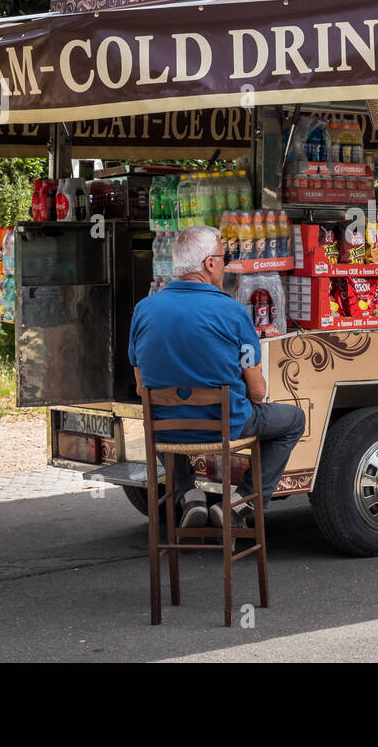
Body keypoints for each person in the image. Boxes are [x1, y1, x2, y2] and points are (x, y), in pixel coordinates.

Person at [127, 225, 305, 529]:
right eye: (224, 257)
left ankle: (188, 495)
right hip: (223, 426)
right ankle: (240, 504)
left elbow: (142, 386)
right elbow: (258, 392)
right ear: (210, 264)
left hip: (164, 430)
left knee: (166, 419)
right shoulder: (233, 312)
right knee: (294, 421)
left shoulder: (143, 311)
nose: (226, 264)